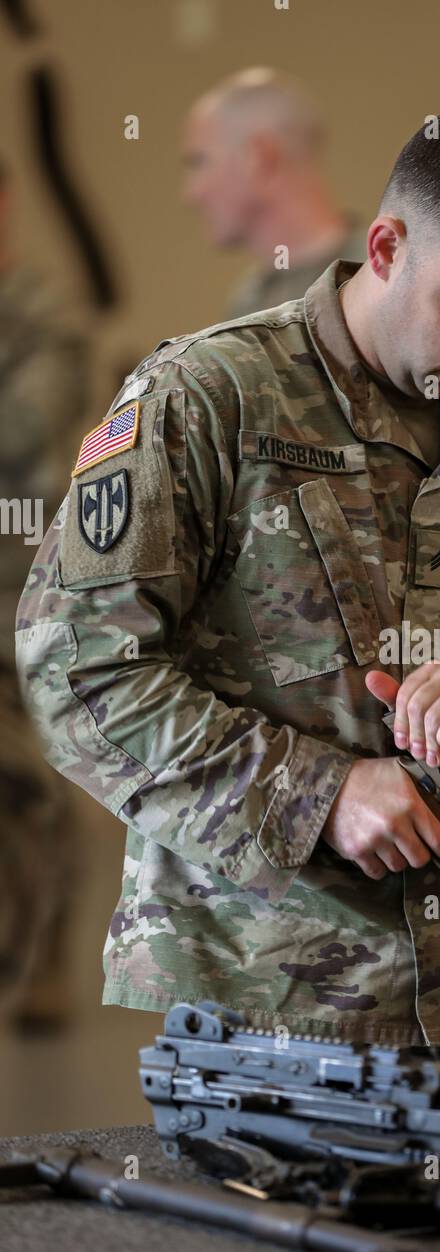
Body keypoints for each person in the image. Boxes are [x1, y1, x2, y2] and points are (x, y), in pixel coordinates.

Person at [16, 105, 440, 1091]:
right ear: (386, 246)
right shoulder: (207, 400)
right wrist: (318, 794)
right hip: (269, 1013)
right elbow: (78, 672)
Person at [0, 159, 89, 1027]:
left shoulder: (42, 327)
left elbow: (30, 448)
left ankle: (46, 964)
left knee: (36, 789)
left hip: (26, 598)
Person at [182, 68, 368, 317]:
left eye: (200, 162)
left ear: (258, 158)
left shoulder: (377, 277)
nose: (192, 193)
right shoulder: (248, 303)